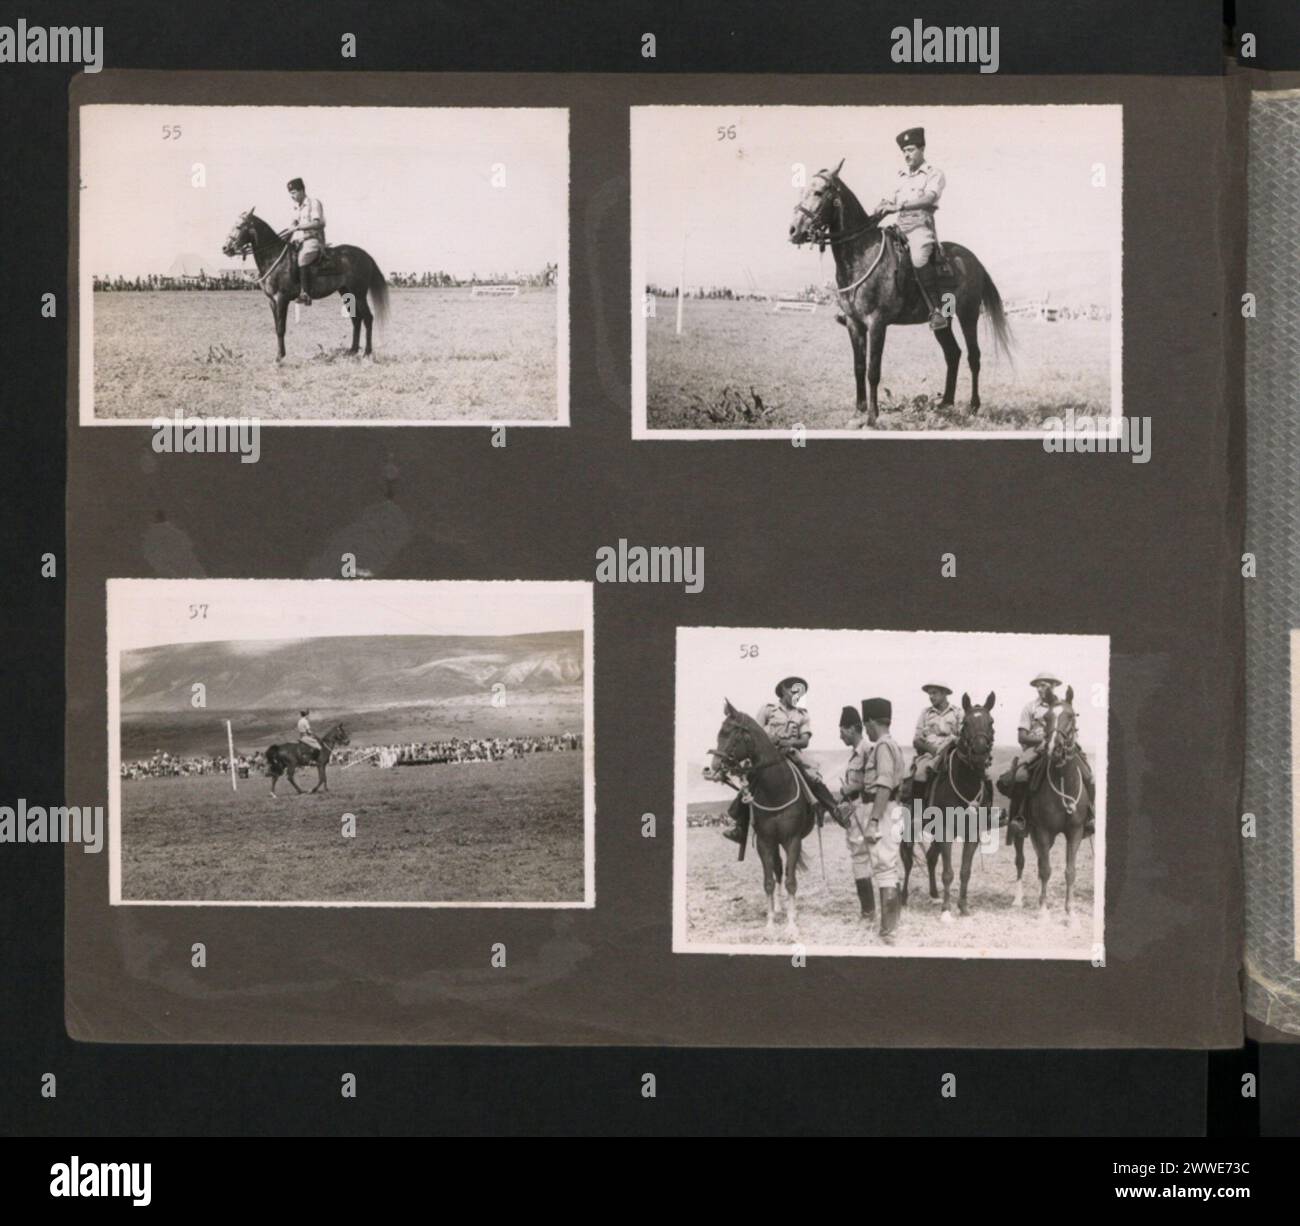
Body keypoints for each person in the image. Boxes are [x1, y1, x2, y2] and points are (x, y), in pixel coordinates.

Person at [722, 676, 840, 845]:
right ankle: (739, 826)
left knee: (812, 778)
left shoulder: (802, 714)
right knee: (750, 784)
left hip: (792, 755)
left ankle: (834, 809)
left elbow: (805, 741)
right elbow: (754, 733)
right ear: (784, 689)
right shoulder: (768, 710)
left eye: (802, 693)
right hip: (767, 758)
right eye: (796, 690)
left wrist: (788, 743)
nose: (799, 695)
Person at [1001, 672, 1096, 838]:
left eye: (1044, 685)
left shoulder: (1064, 706)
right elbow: (1022, 736)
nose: (1039, 689)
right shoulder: (1030, 707)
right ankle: (1019, 817)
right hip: (1036, 748)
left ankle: (1090, 816)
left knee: (1089, 776)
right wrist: (1043, 740)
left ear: (1053, 686)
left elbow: (1072, 729)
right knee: (1021, 776)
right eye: (1038, 685)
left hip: (1063, 746)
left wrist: (1065, 740)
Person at [874, 127, 948, 330]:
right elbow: (892, 198)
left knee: (918, 257)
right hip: (900, 225)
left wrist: (900, 206)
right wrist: (882, 205)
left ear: (922, 148)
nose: (907, 154)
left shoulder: (934, 173)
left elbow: (929, 198)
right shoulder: (900, 176)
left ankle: (936, 311)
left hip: (920, 225)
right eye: (904, 151)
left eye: (911, 149)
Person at [859, 697, 908, 942]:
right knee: (888, 865)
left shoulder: (882, 747)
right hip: (890, 809)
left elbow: (885, 784)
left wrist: (874, 820)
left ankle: (888, 930)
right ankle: (892, 923)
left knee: (884, 865)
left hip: (883, 809)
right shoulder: (892, 745)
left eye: (865, 724)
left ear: (870, 722)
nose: (865, 730)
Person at [835, 705, 875, 921]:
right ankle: (869, 911)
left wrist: (849, 789)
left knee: (864, 859)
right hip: (857, 810)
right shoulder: (858, 753)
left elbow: (873, 781)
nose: (840, 735)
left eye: (842, 729)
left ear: (852, 729)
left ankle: (869, 912)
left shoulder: (869, 750)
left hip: (865, 810)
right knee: (862, 858)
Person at [909, 682, 962, 803]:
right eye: (929, 694)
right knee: (920, 774)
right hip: (930, 754)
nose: (931, 696)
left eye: (934, 693)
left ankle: (986, 812)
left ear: (944, 693)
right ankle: (917, 815)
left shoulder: (957, 712)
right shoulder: (926, 713)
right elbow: (917, 739)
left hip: (952, 754)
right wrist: (932, 750)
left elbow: (963, 736)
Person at [283, 177, 326, 306]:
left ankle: (305, 293)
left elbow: (317, 223)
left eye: (294, 192)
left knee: (302, 258)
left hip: (313, 239)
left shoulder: (313, 203)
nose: (292, 196)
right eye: (290, 193)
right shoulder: (296, 207)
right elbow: (293, 225)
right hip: (300, 241)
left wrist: (298, 227)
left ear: (302, 190)